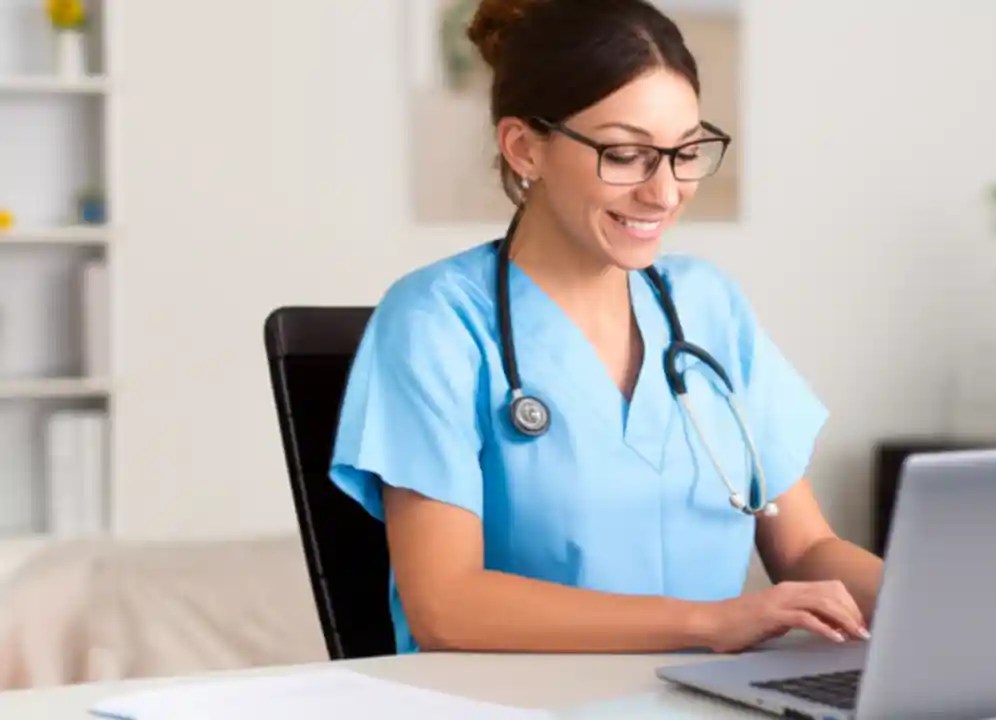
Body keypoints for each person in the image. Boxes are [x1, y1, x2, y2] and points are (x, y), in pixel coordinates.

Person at [330, 0, 883, 655]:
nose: (665, 191)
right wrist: (711, 624)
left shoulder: (708, 307)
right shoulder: (436, 323)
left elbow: (805, 547)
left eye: (685, 152)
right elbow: (447, 607)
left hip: (709, 700)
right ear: (523, 147)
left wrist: (948, 605)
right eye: (625, 154)